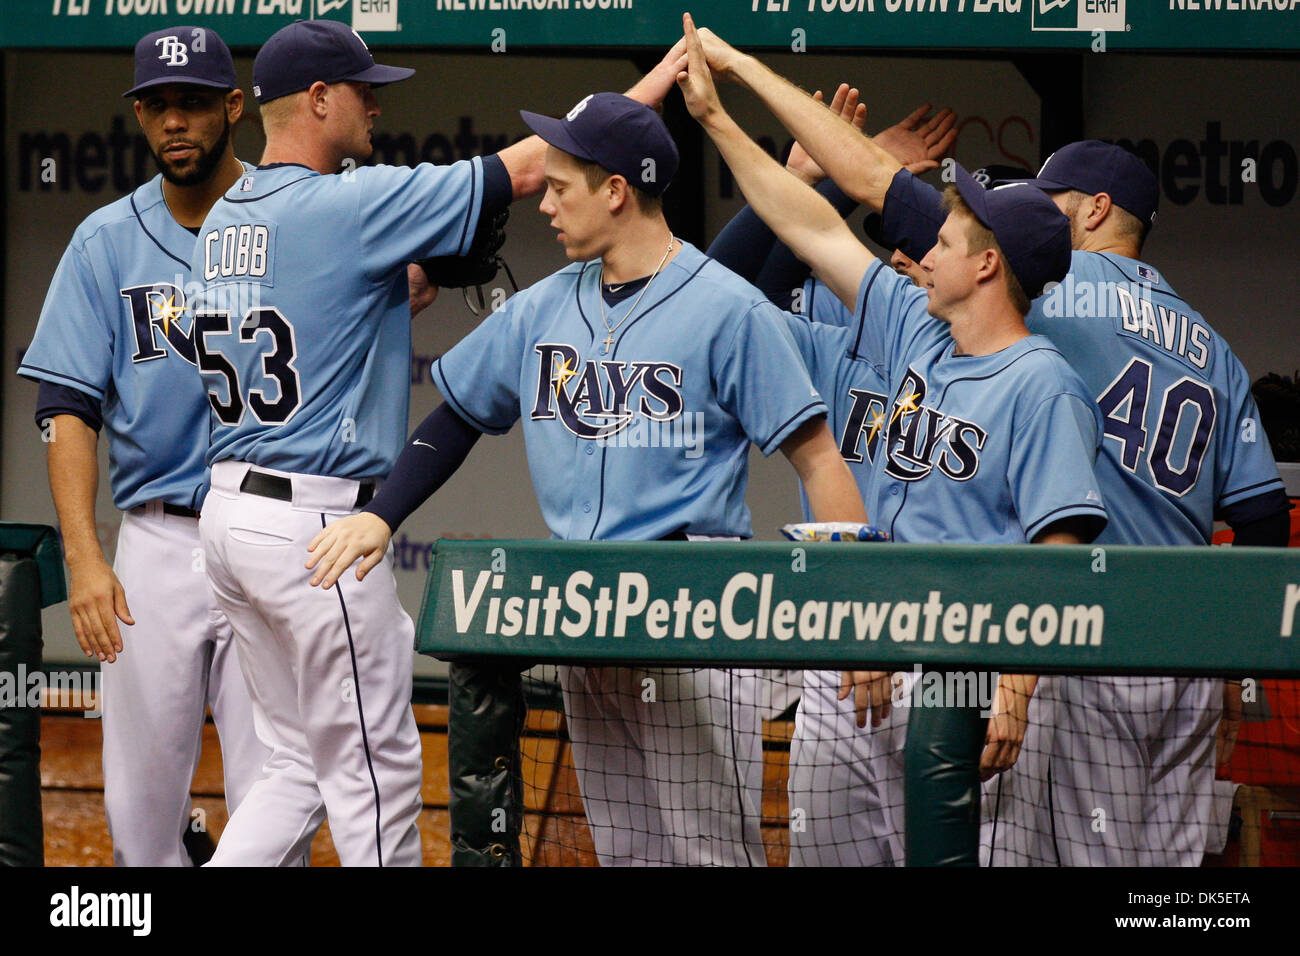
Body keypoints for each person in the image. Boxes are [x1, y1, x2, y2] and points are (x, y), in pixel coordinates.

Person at [712, 66, 1290, 862]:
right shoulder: (1208, 344)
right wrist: (1236, 659)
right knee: (1163, 884)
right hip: (1165, 642)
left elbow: (868, 193)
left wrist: (784, 123)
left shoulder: (1046, 305)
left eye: (948, 237)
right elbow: (1261, 516)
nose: (926, 248)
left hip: (1045, 643)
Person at [303, 90, 868, 866]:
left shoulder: (727, 308)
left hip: (693, 609)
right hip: (584, 607)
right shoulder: (543, 308)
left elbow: (819, 456)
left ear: (615, 190)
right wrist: (383, 515)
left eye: (562, 186)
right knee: (627, 851)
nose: (547, 206)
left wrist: (852, 614)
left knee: (710, 855)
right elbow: (459, 414)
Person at [189, 21, 686, 866]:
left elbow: (330, 313)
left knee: (296, 765)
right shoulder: (346, 199)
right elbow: (532, 167)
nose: (376, 101)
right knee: (377, 772)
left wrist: (410, 279)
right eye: (361, 88)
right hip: (315, 533)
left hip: (230, 516)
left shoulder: (223, 216)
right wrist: (651, 88)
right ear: (316, 100)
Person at [675, 14, 1110, 865]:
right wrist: (719, 119)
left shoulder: (1044, 382)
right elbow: (811, 224)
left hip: (970, 669)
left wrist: (1018, 687)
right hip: (854, 652)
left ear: (988, 266)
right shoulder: (910, 319)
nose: (927, 246)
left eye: (947, 238)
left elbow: (1058, 554)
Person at [18, 26, 268, 867]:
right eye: (156, 105)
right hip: (156, 539)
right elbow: (68, 408)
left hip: (272, 531)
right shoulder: (103, 241)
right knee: (138, 811)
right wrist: (87, 560)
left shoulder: (291, 220)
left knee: (273, 799)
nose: (174, 122)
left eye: (193, 102)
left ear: (233, 107)